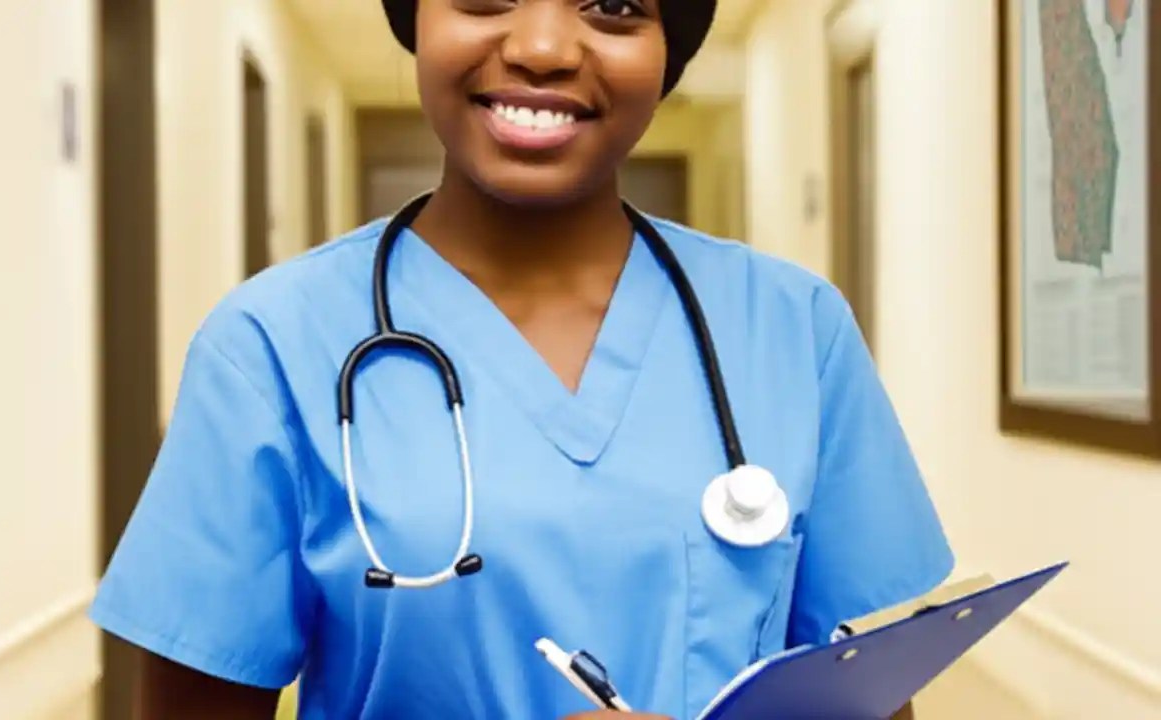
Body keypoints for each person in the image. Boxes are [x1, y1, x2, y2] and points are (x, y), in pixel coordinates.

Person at [88, 0, 954, 718]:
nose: (541, 47)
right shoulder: (271, 348)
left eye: (615, 5)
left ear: (668, 49)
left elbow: (872, 699)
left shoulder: (794, 330)